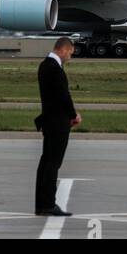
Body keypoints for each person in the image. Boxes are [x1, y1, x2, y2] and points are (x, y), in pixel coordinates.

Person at [34, 36, 81, 217]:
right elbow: (63, 96)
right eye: (70, 52)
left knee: (46, 162)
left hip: (49, 120)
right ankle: (48, 204)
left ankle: (42, 204)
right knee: (53, 163)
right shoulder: (54, 69)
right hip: (57, 122)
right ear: (62, 49)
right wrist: (73, 115)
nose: (70, 56)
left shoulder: (45, 66)